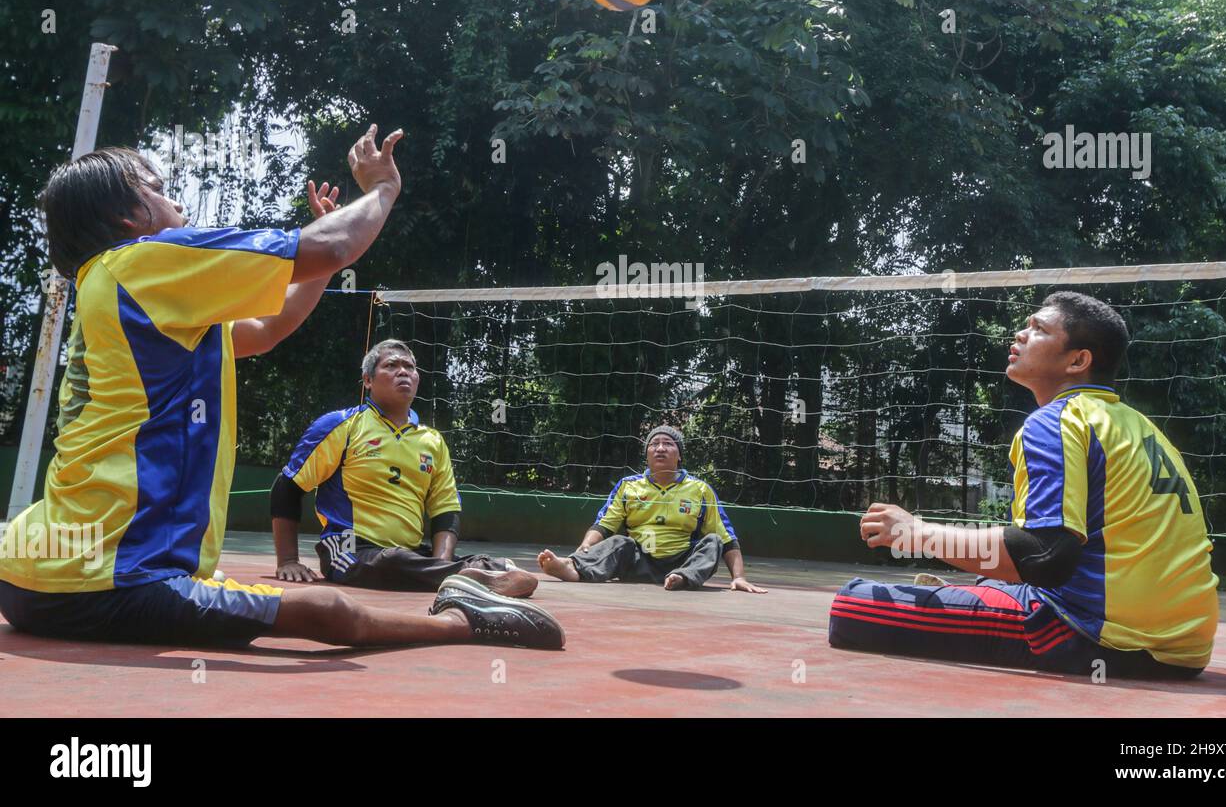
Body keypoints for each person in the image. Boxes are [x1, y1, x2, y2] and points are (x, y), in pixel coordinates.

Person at [0, 128, 562, 650]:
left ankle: (461, 592)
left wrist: (317, 256)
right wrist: (385, 188)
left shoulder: (123, 296)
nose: (176, 203)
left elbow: (268, 329)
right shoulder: (139, 263)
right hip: (108, 578)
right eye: (159, 191)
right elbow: (334, 245)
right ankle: (464, 620)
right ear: (127, 218)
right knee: (327, 611)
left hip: (29, 572)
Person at [828, 292, 1218, 677]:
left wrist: (918, 533)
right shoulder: (1143, 428)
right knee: (991, 574)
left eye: (1038, 329)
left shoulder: (1057, 421)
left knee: (853, 605)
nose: (1019, 334)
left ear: (1078, 360)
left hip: (1093, 634)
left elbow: (1045, 556)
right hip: (1185, 649)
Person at [270, 338, 536, 598]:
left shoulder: (432, 440)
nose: (403, 372)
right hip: (349, 546)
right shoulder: (342, 425)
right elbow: (286, 488)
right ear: (368, 380)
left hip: (411, 553)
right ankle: (469, 578)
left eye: (409, 367)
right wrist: (288, 560)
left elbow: (446, 510)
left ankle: (464, 575)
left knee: (406, 559)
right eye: (391, 366)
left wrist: (439, 563)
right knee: (391, 561)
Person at [537, 425, 767, 593]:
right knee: (620, 542)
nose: (660, 448)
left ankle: (682, 578)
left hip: (683, 561)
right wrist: (586, 546)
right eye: (654, 444)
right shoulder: (629, 486)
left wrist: (739, 577)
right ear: (647, 454)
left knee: (713, 542)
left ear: (679, 455)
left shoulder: (700, 490)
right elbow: (605, 524)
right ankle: (571, 567)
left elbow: (727, 538)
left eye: (668, 444)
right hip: (638, 561)